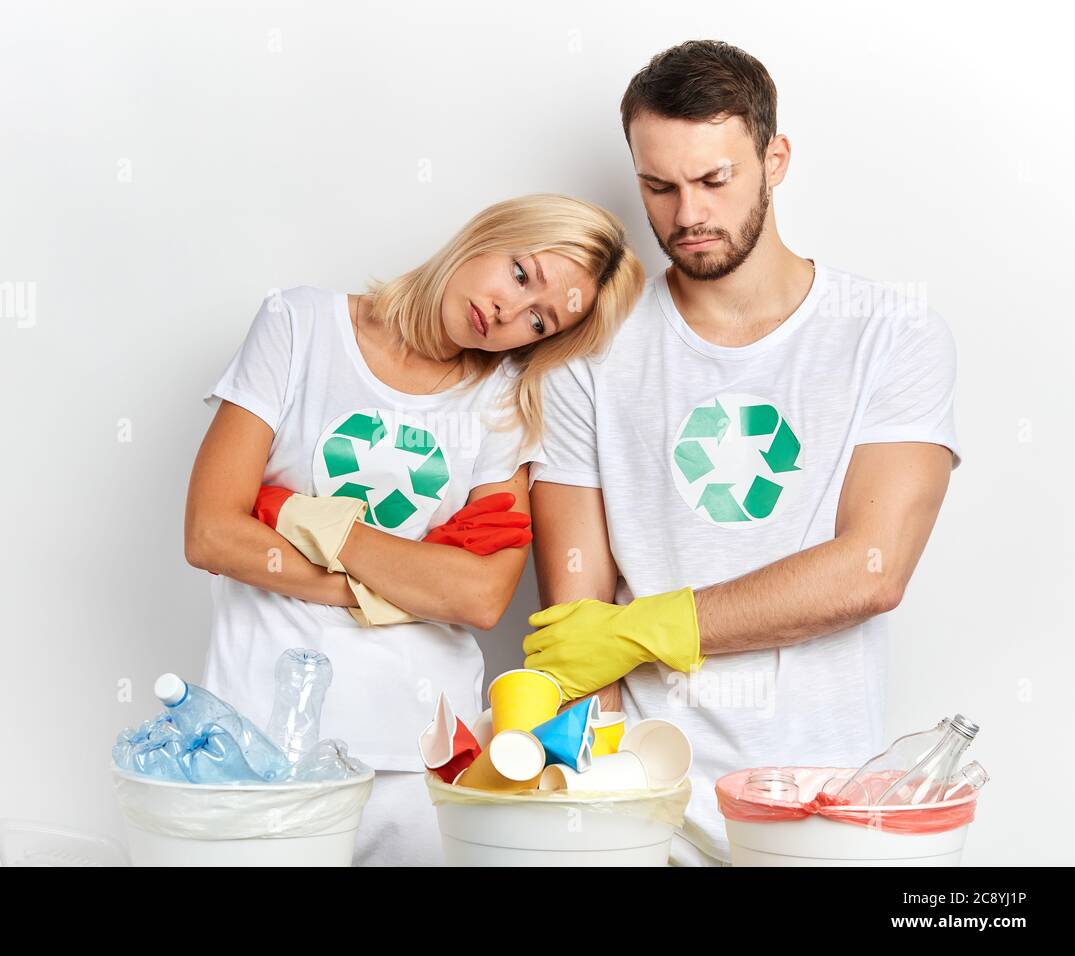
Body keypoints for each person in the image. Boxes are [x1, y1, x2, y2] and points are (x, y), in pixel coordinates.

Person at [524, 40, 961, 866]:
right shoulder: (586, 355)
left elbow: (871, 569)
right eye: (659, 186)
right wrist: (605, 804)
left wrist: (653, 626)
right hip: (651, 807)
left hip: (829, 807)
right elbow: (579, 630)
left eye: (715, 180)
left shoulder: (892, 335)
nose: (687, 213)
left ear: (774, 158)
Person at [184, 193, 646, 865]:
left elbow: (480, 597)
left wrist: (306, 522)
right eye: (521, 274)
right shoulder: (299, 325)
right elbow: (210, 533)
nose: (508, 313)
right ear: (489, 234)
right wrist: (407, 579)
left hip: (421, 764)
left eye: (539, 319)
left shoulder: (505, 402)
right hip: (258, 743)